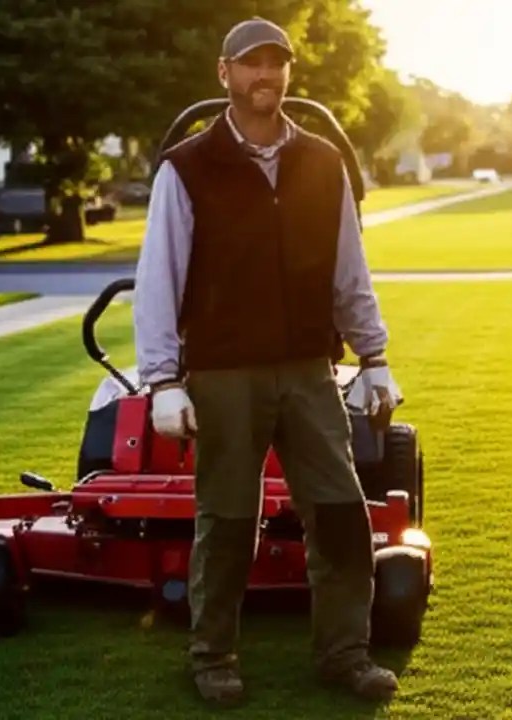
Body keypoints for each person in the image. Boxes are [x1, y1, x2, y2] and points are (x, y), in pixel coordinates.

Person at [131, 15, 406, 707]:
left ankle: (344, 652)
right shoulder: (187, 168)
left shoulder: (322, 161)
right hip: (224, 373)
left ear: (288, 72)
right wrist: (162, 379)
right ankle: (213, 655)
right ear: (223, 74)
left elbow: (351, 268)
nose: (265, 76)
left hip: (310, 368)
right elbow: (158, 280)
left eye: (275, 64)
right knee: (225, 520)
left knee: (341, 511)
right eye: (250, 64)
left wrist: (373, 356)